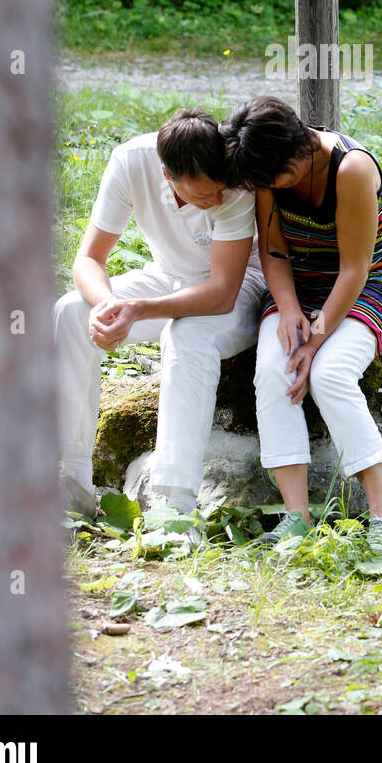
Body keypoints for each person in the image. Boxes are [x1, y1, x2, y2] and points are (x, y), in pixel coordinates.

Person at [220, 96, 382, 556]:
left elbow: (355, 268)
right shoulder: (267, 170)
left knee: (330, 372)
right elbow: (274, 250)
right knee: (272, 370)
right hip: (299, 282)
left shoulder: (352, 169)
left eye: (271, 179)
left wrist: (316, 341)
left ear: (299, 147)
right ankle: (296, 518)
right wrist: (287, 310)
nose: (267, 187)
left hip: (367, 279)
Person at [54, 108, 264, 520]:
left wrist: (139, 309)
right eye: (203, 196)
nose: (216, 201)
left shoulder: (233, 181)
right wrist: (107, 305)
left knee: (186, 336)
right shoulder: (131, 161)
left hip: (241, 287)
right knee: (69, 312)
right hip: (168, 277)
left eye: (219, 191)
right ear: (168, 177)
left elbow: (221, 294)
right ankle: (73, 479)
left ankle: (174, 505)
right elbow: (89, 260)